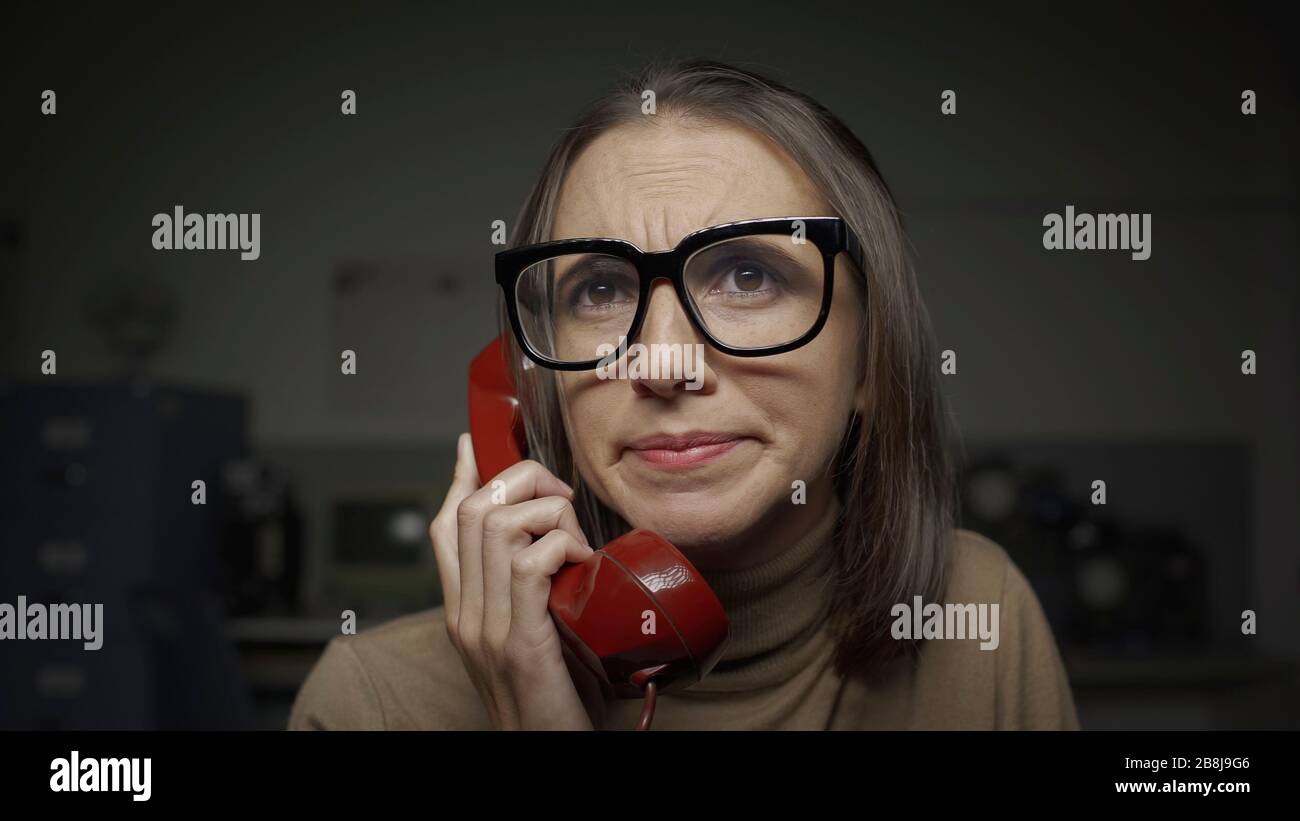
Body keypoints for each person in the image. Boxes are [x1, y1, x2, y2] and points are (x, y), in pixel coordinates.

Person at [289, 58, 1079, 731]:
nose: (663, 362)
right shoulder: (370, 705)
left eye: (749, 275)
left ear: (871, 361)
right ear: (538, 381)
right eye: (599, 288)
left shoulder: (980, 619)